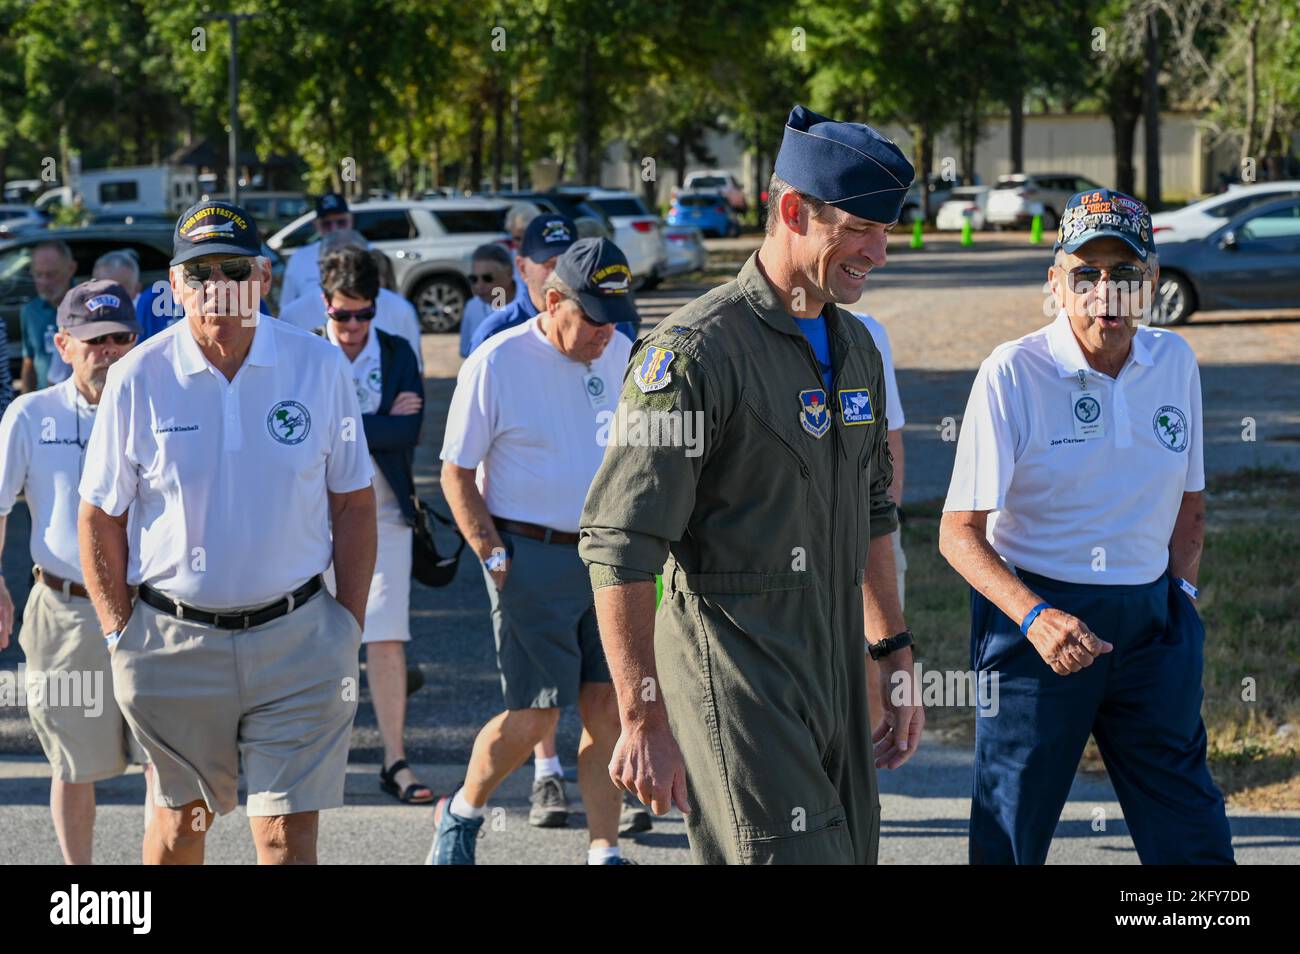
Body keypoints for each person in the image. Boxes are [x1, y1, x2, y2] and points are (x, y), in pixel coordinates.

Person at [578, 105, 925, 865]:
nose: (880, 252)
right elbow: (620, 541)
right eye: (861, 230)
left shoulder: (858, 346)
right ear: (794, 210)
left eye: (886, 232)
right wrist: (642, 716)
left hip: (835, 673)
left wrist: (893, 649)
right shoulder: (692, 355)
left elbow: (873, 506)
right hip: (738, 681)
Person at [939, 189, 1234, 865]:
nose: (1108, 292)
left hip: (1152, 625)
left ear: (1153, 282)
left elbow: (1191, 505)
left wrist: (1180, 608)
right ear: (1055, 283)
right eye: (1086, 273)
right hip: (1035, 625)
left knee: (1192, 835)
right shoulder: (1012, 372)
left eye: (1126, 274)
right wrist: (1035, 616)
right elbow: (958, 532)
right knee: (1011, 837)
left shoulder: (1175, 361)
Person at [77, 199, 377, 865]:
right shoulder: (137, 377)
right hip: (171, 641)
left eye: (234, 269)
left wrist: (346, 627)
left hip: (299, 643)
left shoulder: (319, 366)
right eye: (199, 272)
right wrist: (118, 632)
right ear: (176, 286)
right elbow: (100, 514)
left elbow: (354, 504)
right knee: (183, 828)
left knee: (284, 836)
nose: (218, 286)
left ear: (263, 277)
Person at [429, 238, 635, 865]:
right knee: (535, 716)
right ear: (552, 301)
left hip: (610, 560)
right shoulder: (496, 362)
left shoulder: (622, 351)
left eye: (615, 316)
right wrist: (494, 558)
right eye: (594, 316)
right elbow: (455, 474)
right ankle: (462, 813)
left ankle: (605, 850)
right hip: (530, 556)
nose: (607, 331)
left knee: (609, 711)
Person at [0, 280, 152, 864]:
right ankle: (81, 884)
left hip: (152, 612)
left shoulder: (157, 411)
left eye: (119, 338)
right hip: (65, 614)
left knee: (162, 761)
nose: (107, 350)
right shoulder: (30, 414)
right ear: (62, 344)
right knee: (72, 761)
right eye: (93, 340)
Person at [315, 245, 431, 805]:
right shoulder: (304, 356)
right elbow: (302, 438)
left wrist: (351, 427)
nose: (355, 326)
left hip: (386, 517)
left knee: (386, 638)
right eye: (343, 315)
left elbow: (410, 435)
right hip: (310, 521)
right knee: (318, 638)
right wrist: (380, 422)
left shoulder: (399, 350)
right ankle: (319, 758)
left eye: (364, 314)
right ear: (324, 306)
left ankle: (394, 759)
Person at [851, 312, 907, 732]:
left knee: (873, 665)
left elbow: (890, 435)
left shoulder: (867, 331)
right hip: (791, 550)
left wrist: (887, 530)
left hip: (866, 534)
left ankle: (863, 790)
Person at [469, 214, 638, 353]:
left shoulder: (613, 325)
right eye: (549, 264)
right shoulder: (495, 335)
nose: (559, 273)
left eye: (566, 263)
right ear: (522, 268)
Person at [278, 230, 423, 375]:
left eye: (365, 314)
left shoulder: (400, 310)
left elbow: (414, 373)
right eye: (341, 315)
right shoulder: (292, 315)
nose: (352, 325)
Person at [279, 192, 353, 306]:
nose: (334, 229)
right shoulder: (300, 259)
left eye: (341, 222)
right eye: (327, 224)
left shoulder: (370, 254)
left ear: (351, 220)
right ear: (316, 225)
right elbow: (286, 306)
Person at [20, 240, 76, 390]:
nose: (44, 282)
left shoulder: (87, 305)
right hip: (44, 402)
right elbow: (29, 362)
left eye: (51, 274)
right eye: (38, 274)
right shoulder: (30, 311)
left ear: (71, 269)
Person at [459, 243, 518, 359]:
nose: (479, 286)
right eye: (474, 279)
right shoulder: (472, 306)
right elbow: (466, 353)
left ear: (509, 273)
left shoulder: (531, 305)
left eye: (487, 278)